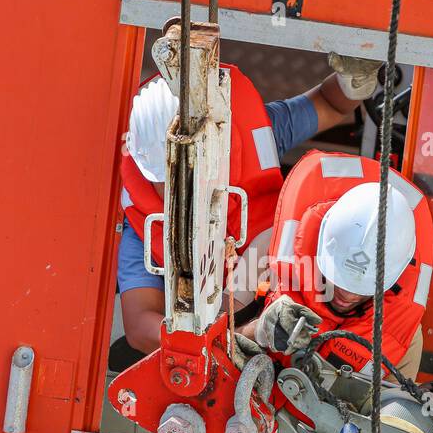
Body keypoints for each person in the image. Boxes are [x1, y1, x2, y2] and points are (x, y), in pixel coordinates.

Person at [118, 53, 381, 354]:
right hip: (229, 338)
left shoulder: (257, 132)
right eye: (169, 183)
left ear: (223, 143)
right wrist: (242, 336)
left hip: (310, 300)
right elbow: (139, 327)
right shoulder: (142, 228)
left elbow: (330, 104)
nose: (190, 192)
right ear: (144, 165)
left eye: (201, 174)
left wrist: (352, 82)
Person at [245, 150, 433, 380]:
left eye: (363, 288)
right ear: (322, 244)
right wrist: (259, 330)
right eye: (338, 275)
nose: (347, 293)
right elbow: (209, 339)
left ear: (392, 280)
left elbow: (388, 414)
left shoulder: (407, 337)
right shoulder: (267, 250)